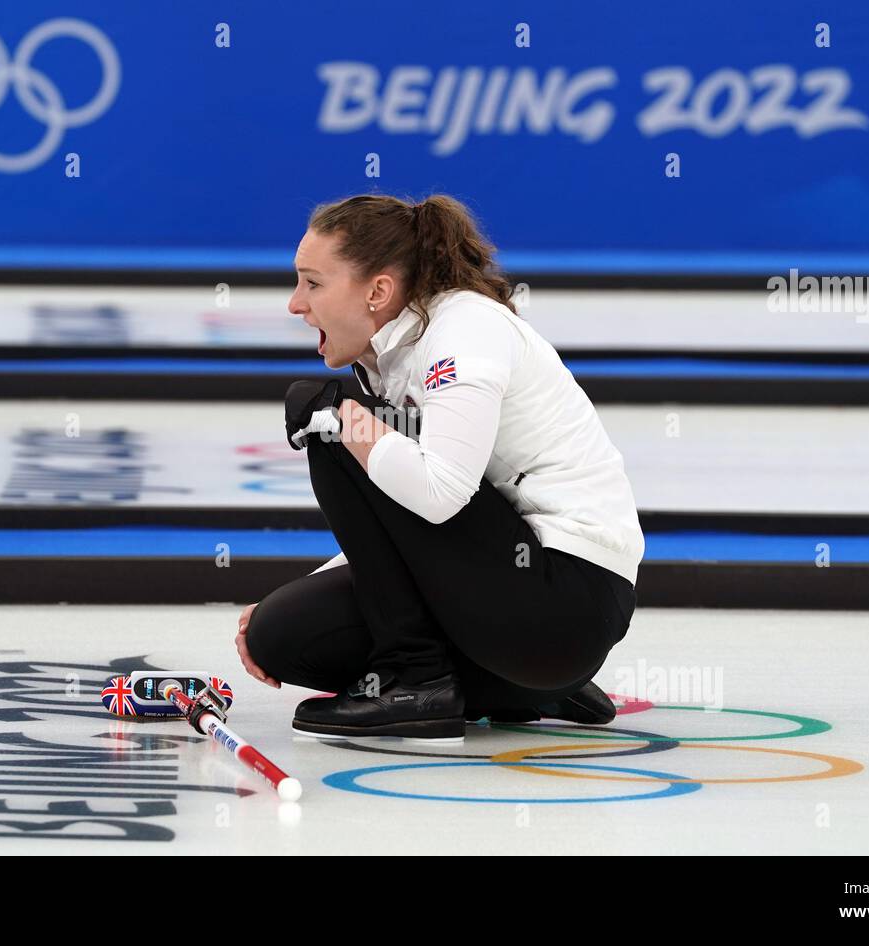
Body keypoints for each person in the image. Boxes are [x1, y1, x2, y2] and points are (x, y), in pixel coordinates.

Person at [235, 193, 644, 741]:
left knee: (328, 419)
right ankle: (524, 689)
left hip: (565, 598)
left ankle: (418, 681)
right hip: (529, 609)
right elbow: (403, 522)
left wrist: (343, 420)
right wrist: (309, 583)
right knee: (280, 634)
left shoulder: (462, 331)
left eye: (313, 283)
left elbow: (440, 493)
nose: (295, 304)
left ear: (378, 291)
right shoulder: (393, 351)